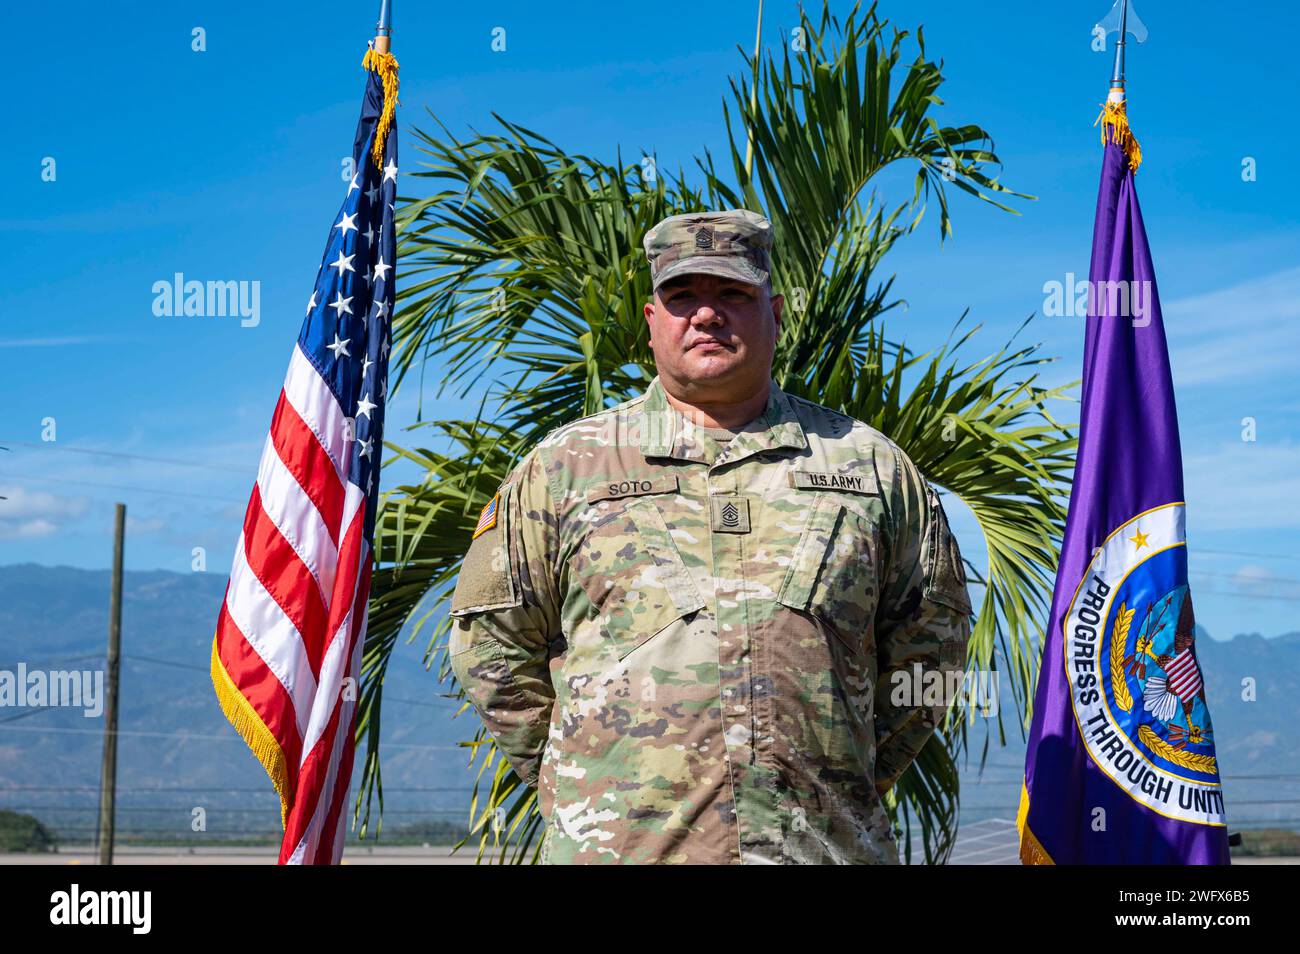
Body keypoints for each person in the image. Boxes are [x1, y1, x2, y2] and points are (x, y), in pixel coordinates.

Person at [448, 208, 973, 864]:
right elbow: (490, 647)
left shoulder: (869, 469)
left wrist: (843, 778)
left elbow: (933, 648)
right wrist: (581, 787)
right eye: (683, 297)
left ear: (775, 314)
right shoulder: (563, 470)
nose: (706, 314)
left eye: (732, 294)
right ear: (651, 322)